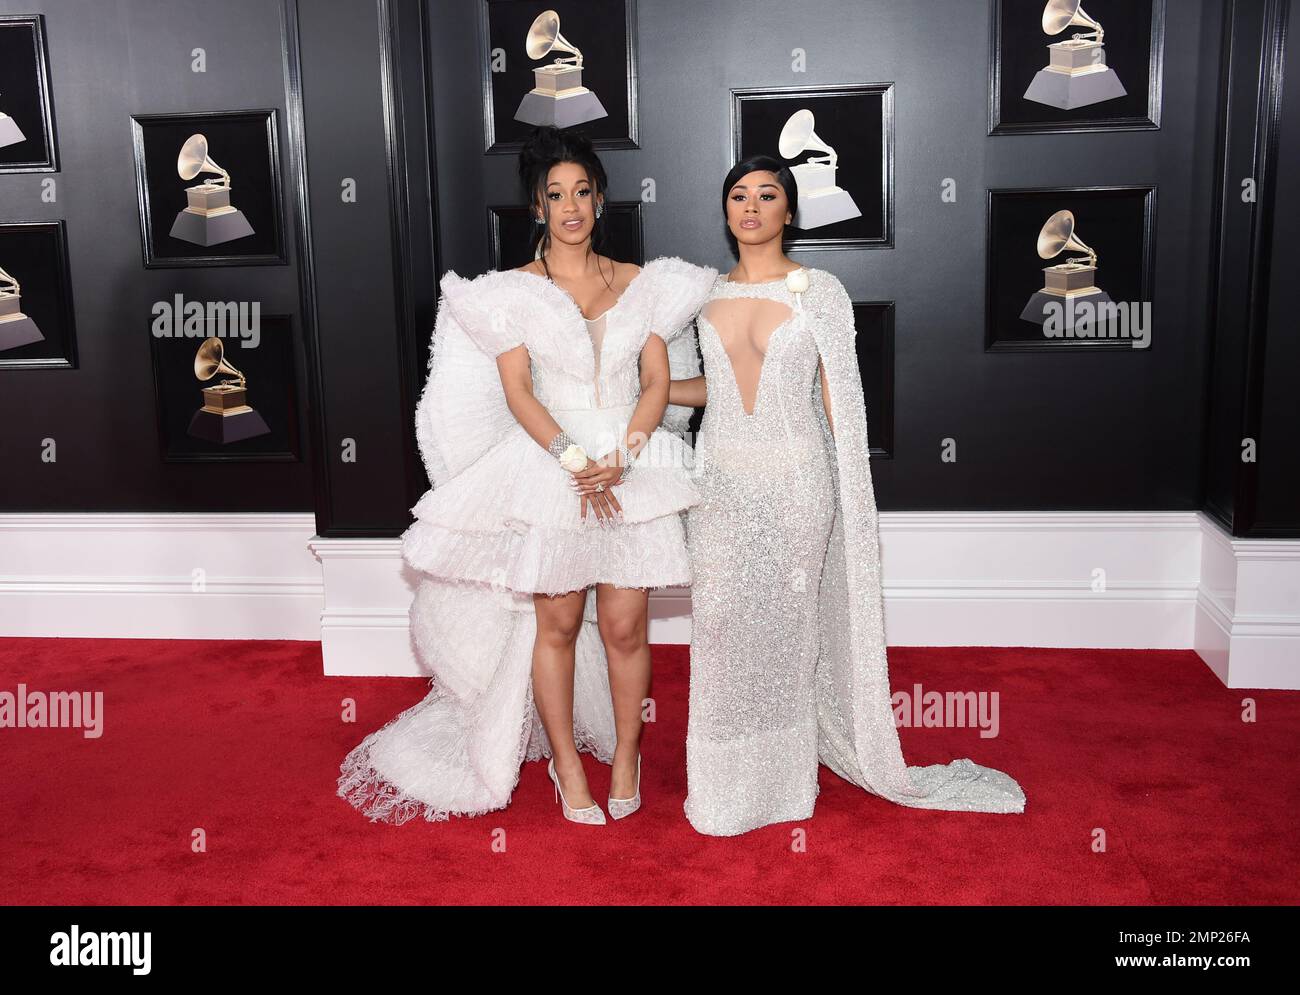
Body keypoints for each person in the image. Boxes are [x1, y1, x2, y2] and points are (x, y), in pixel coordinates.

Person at [339, 126, 716, 826]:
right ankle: (567, 768)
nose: (570, 205)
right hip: (555, 466)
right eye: (555, 195)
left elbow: (658, 379)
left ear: (599, 200)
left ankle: (628, 755)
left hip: (630, 463)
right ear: (536, 209)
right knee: (560, 621)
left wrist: (626, 453)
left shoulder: (641, 282)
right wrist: (575, 460)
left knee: (628, 626)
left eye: (582, 191)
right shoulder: (510, 292)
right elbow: (519, 390)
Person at [668, 155, 1026, 836]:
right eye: (738, 195)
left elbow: (843, 406)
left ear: (789, 211)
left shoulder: (819, 292)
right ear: (725, 210)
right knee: (718, 630)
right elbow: (710, 387)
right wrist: (643, 398)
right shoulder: (704, 294)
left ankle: (781, 785)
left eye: (767, 194)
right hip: (718, 486)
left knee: (788, 633)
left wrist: (852, 504)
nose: (751, 206)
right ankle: (720, 789)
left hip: (798, 482)